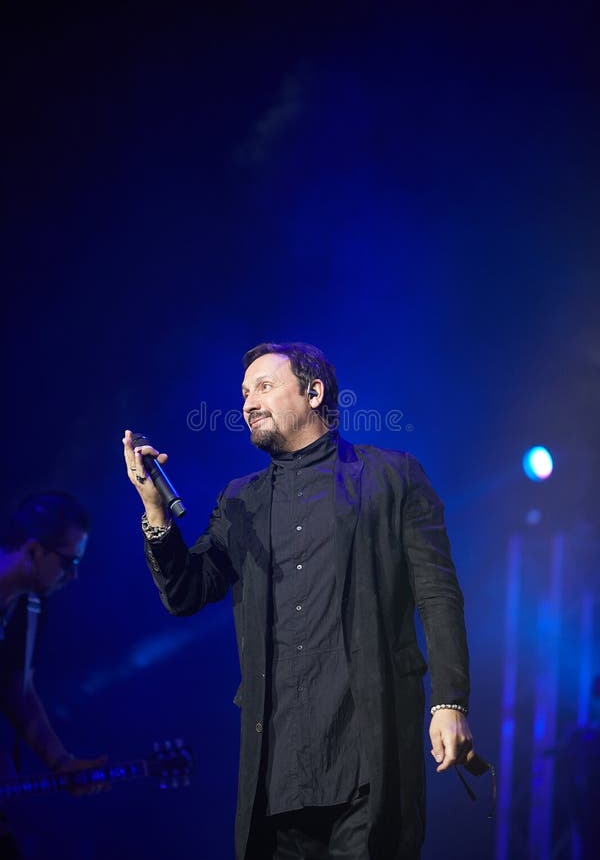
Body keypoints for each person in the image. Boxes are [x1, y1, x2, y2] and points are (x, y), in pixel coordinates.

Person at [123, 342, 474, 860]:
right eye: (243, 393)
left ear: (314, 393)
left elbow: (438, 594)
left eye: (264, 387)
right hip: (280, 763)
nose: (247, 403)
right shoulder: (240, 500)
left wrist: (449, 703)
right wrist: (156, 511)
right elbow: (186, 592)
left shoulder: (391, 477)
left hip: (367, 749)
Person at [0, 492, 106, 858]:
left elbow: (18, 689)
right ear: (33, 551)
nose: (73, 575)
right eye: (67, 562)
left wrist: (60, 762)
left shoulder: (28, 607)